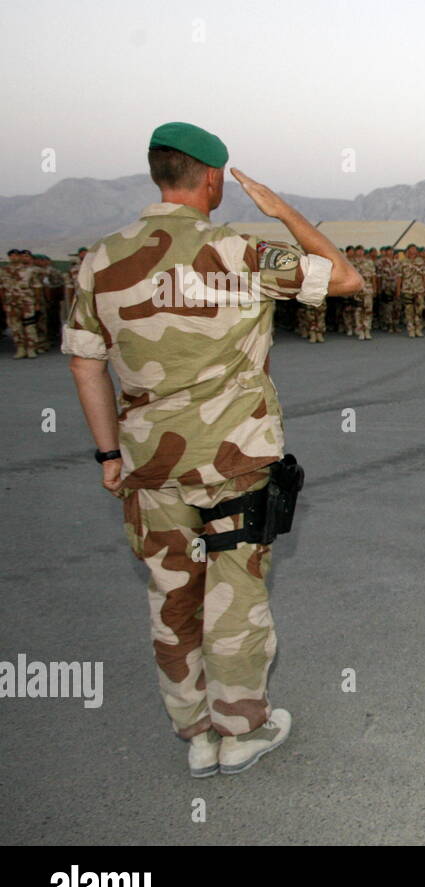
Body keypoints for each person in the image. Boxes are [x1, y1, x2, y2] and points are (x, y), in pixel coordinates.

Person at [62, 121, 361, 776]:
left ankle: (194, 732)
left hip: (149, 465)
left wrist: (109, 455)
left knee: (172, 596)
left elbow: (85, 365)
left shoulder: (100, 259)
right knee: (235, 595)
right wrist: (281, 210)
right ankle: (241, 729)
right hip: (233, 460)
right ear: (213, 178)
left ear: (158, 174)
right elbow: (344, 279)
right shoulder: (237, 253)